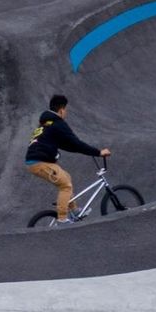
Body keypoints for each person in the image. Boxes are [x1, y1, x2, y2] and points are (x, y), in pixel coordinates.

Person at [24, 94, 109, 223]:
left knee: (66, 177)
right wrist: (98, 152)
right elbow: (76, 143)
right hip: (40, 162)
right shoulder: (58, 123)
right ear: (62, 110)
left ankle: (74, 210)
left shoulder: (47, 124)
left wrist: (87, 151)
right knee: (66, 186)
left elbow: (67, 145)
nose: (66, 113)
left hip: (37, 161)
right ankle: (62, 219)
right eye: (66, 110)